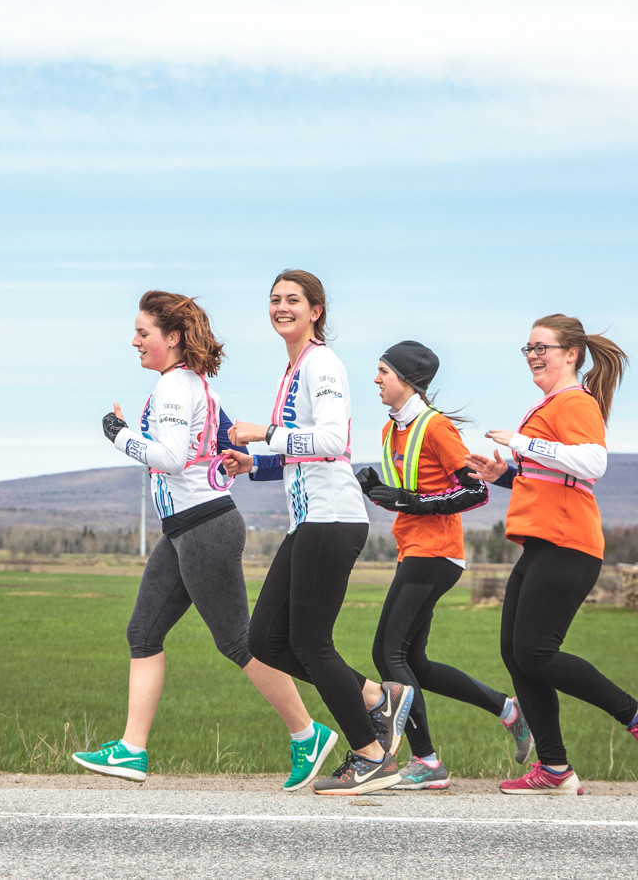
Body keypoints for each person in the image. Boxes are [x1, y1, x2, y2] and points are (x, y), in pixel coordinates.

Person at [73, 290, 340, 791]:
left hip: (203, 529)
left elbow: (170, 456)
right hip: (186, 529)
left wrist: (117, 433)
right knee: (143, 633)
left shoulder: (176, 387)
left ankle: (308, 733)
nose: (134, 341)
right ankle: (131, 750)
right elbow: (219, 443)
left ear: (171, 338)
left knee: (238, 640)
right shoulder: (191, 385)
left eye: (142, 333)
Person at [220, 270, 414, 796]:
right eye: (275, 300)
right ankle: (378, 698)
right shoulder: (294, 367)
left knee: (309, 641)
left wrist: (263, 431)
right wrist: (254, 463)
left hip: (332, 518)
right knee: (266, 640)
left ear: (316, 311)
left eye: (293, 300)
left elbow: (331, 439)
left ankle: (372, 755)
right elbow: (298, 453)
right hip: (308, 520)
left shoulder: (322, 364)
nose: (282, 307)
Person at [464, 314, 638, 795]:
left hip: (568, 545)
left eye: (543, 348)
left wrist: (521, 443)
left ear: (571, 353)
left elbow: (593, 461)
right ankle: (554, 770)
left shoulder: (575, 402)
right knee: (517, 655)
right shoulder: (551, 404)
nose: (534, 356)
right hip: (543, 542)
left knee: (536, 652)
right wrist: (505, 475)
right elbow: (557, 477)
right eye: (528, 349)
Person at [351, 340, 535, 790]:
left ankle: (428, 761)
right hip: (412, 550)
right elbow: (408, 495)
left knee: (386, 653)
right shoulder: (391, 430)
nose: (375, 379)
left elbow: (475, 492)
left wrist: (411, 501)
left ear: (408, 380)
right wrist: (376, 489)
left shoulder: (435, 428)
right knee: (416, 662)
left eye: (383, 372)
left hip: (434, 554)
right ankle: (508, 710)